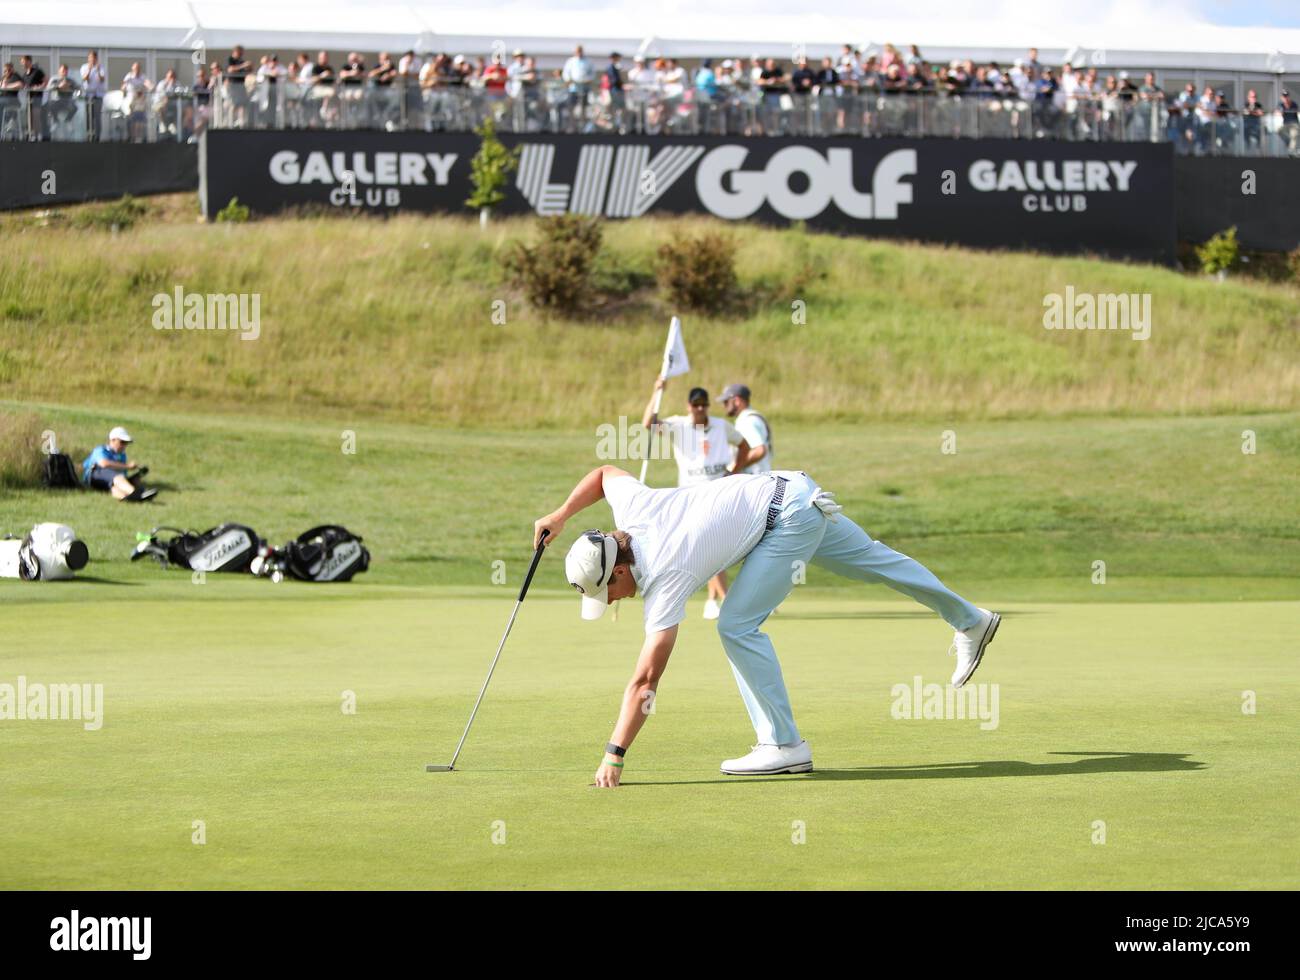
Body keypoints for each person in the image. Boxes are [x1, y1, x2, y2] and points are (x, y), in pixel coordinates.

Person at [535, 466, 999, 786]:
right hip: (795, 490)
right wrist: (559, 516)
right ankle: (971, 619)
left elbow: (646, 682)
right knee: (873, 561)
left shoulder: (666, 575)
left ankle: (783, 744)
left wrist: (614, 753)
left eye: (606, 592)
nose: (612, 601)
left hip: (788, 517)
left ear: (618, 571)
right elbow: (604, 474)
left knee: (735, 624)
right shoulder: (634, 511)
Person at [643, 380, 749, 620]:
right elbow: (648, 423)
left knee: (715, 546)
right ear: (689, 406)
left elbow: (744, 445)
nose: (700, 409)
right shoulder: (678, 425)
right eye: (695, 405)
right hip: (692, 497)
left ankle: (714, 601)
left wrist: (735, 472)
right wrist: (656, 390)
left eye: (703, 405)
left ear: (708, 406)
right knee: (710, 544)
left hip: (721, 493)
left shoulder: (721, 427)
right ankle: (727, 601)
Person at [81, 426, 156, 502]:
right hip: (94, 475)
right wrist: (128, 466)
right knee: (117, 477)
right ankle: (136, 493)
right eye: (122, 442)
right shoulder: (100, 450)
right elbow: (103, 463)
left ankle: (129, 498)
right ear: (112, 440)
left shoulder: (122, 456)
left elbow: (122, 475)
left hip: (108, 481)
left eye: (126, 443)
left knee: (115, 488)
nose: (124, 446)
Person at [719, 383, 771, 474]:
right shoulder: (753, 416)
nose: (724, 406)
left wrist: (735, 469)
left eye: (726, 402)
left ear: (737, 401)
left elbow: (759, 450)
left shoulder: (747, 421)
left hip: (753, 479)